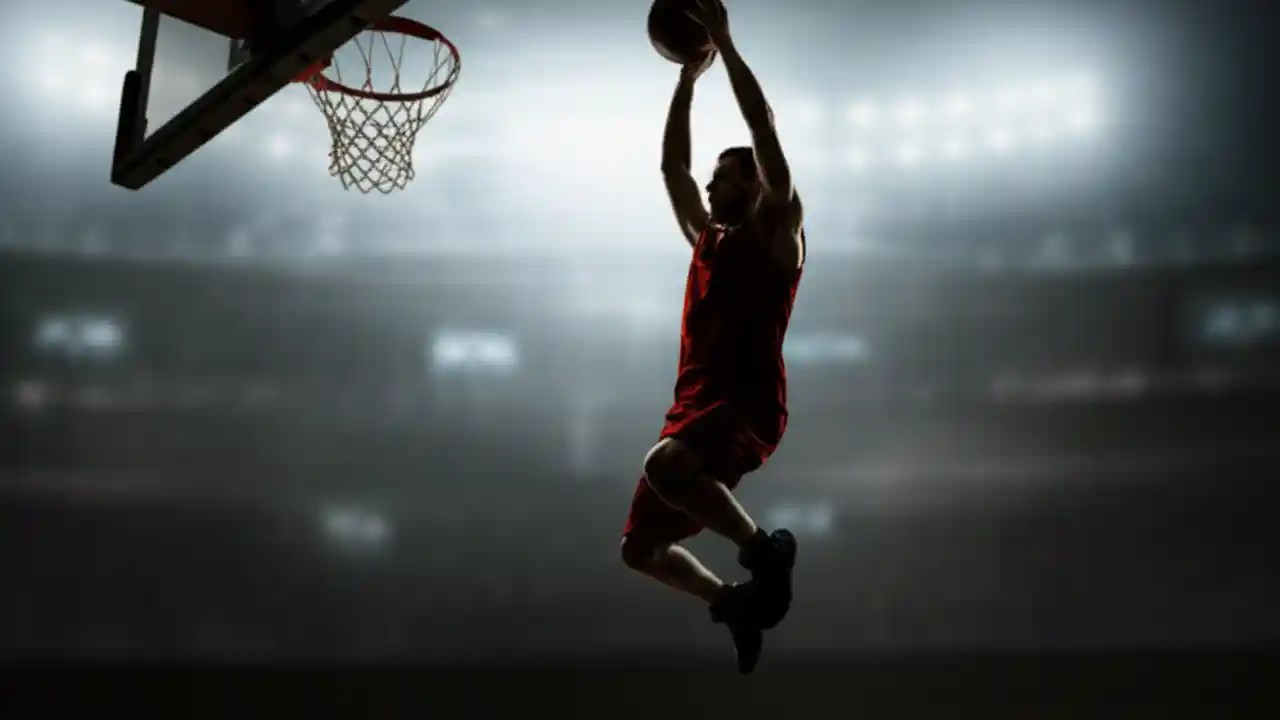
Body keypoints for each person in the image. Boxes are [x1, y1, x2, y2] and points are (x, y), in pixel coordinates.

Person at [619, 0, 807, 674]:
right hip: (696, 403)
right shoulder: (706, 239)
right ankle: (732, 602)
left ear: (753, 182)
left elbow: (762, 124)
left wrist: (723, 43)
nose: (707, 180)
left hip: (745, 399)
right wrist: (684, 81)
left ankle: (764, 552)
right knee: (639, 552)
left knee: (664, 466)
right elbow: (672, 170)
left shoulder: (777, 228)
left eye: (722, 174)